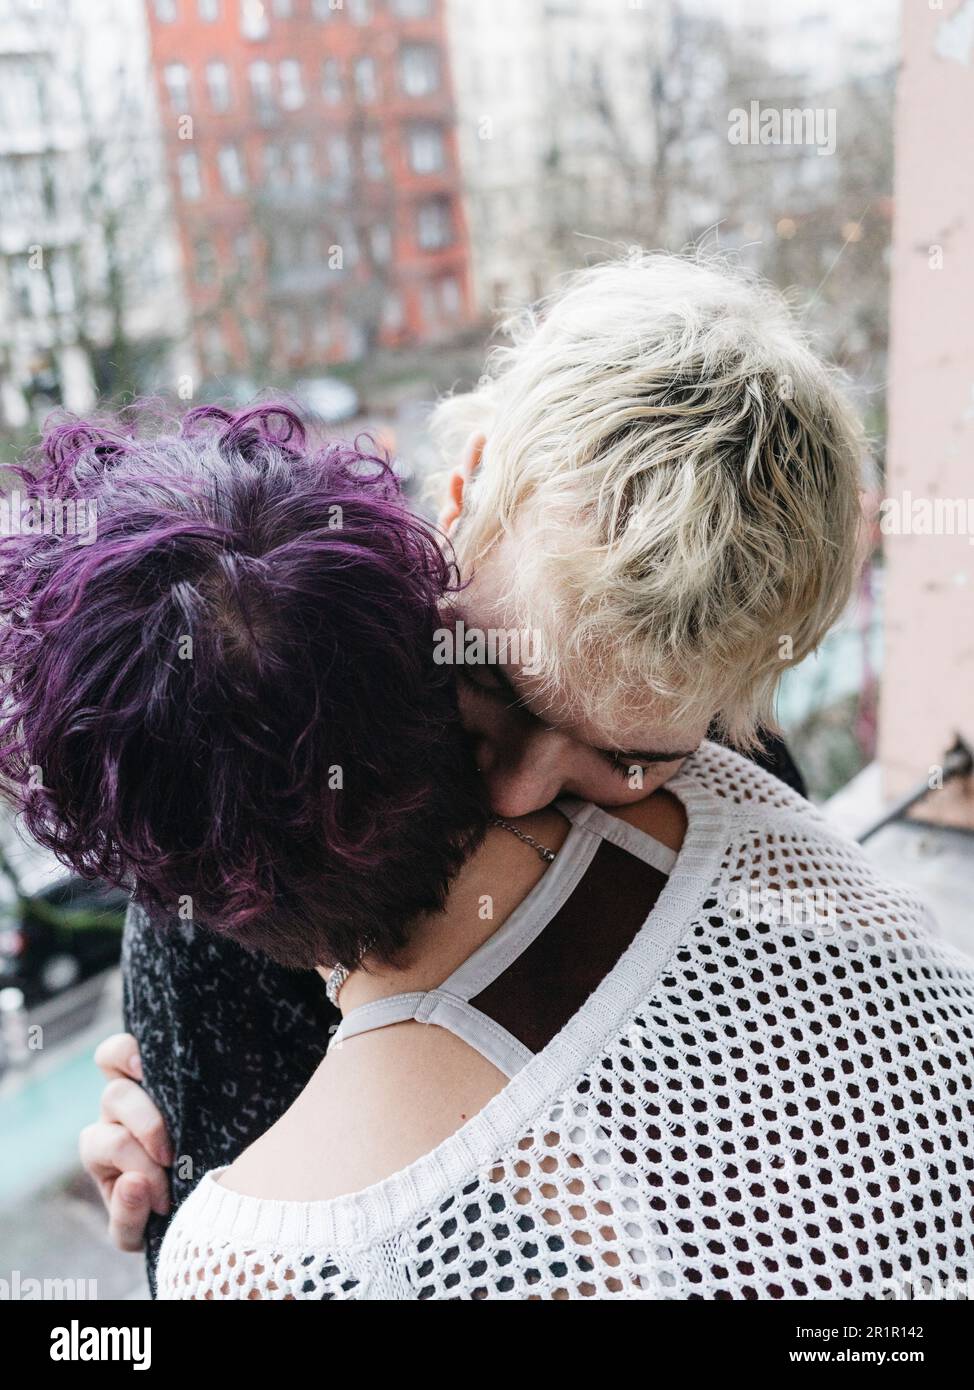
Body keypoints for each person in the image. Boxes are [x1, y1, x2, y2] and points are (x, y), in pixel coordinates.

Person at [43, 252, 969, 1298]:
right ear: (472, 475)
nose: (522, 790)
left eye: (627, 757)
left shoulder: (737, 783)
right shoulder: (262, 802)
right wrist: (192, 1197)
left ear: (732, 697)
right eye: (499, 687)